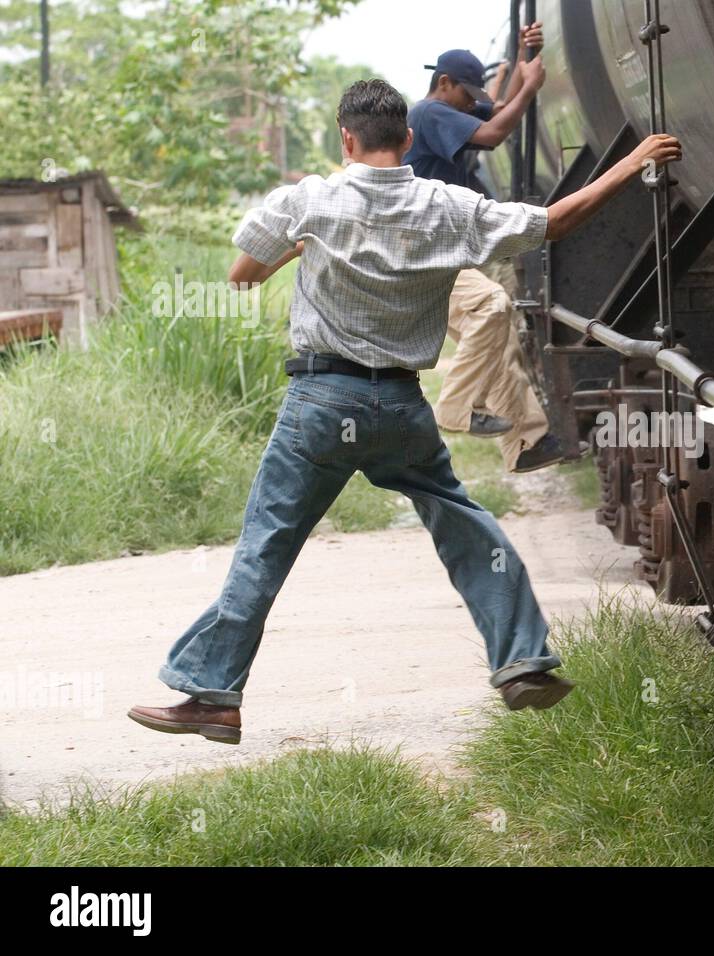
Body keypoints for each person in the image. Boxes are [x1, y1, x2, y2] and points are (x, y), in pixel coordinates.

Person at [126, 78, 682, 744]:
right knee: (467, 525)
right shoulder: (450, 206)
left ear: (345, 138)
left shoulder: (313, 199)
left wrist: (304, 247)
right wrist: (632, 160)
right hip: (398, 406)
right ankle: (521, 659)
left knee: (265, 547)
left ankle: (214, 695)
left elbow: (243, 274)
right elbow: (554, 222)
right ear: (410, 140)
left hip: (320, 403)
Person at [404, 25, 564, 473]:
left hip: (444, 248)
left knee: (496, 339)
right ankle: (455, 407)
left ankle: (527, 442)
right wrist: (530, 86)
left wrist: (522, 53)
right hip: (425, 250)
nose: (471, 102)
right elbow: (495, 130)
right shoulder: (430, 112)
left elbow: (495, 108)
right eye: (465, 93)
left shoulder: (450, 110)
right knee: (491, 309)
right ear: (443, 83)